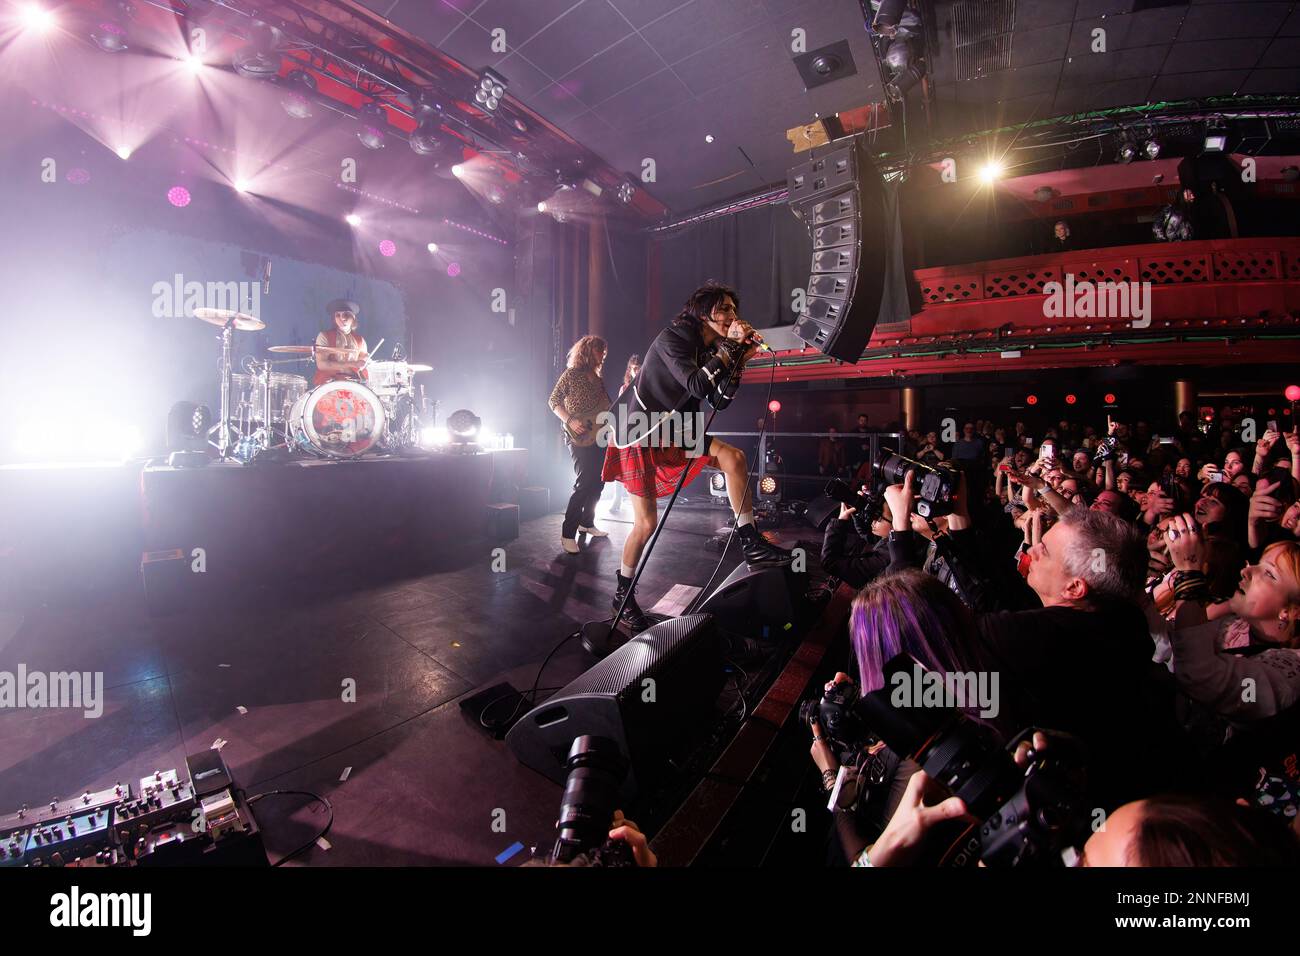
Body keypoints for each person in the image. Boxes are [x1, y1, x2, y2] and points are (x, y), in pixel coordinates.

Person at [600, 282, 792, 632]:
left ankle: (751, 543)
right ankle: (623, 596)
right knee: (645, 524)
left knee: (733, 459)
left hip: (674, 427)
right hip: (639, 429)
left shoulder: (712, 347)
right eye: (726, 310)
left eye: (735, 309)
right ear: (705, 313)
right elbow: (697, 385)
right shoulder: (673, 338)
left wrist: (739, 361)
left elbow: (718, 401)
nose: (733, 317)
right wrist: (732, 347)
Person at [549, 335, 612, 554]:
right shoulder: (571, 374)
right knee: (585, 481)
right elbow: (553, 401)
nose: (602, 355)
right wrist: (570, 420)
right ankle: (568, 533)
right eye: (598, 351)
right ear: (586, 351)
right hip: (578, 436)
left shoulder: (598, 378)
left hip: (599, 435)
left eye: (603, 352)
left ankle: (587, 522)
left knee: (599, 480)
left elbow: (608, 406)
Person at [605, 354, 640, 515]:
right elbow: (620, 411)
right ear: (629, 370)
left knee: (636, 468)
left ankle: (637, 502)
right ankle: (617, 498)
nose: (636, 371)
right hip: (625, 430)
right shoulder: (624, 388)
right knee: (620, 464)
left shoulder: (647, 385)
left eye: (639, 367)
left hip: (642, 431)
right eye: (633, 368)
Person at [313, 299, 370, 387]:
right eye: (338, 315)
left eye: (346, 314)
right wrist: (352, 364)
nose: (342, 318)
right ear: (334, 318)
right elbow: (322, 364)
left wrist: (364, 362)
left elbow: (362, 363)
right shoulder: (324, 336)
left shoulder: (360, 340)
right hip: (329, 384)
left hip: (353, 384)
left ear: (353, 317)